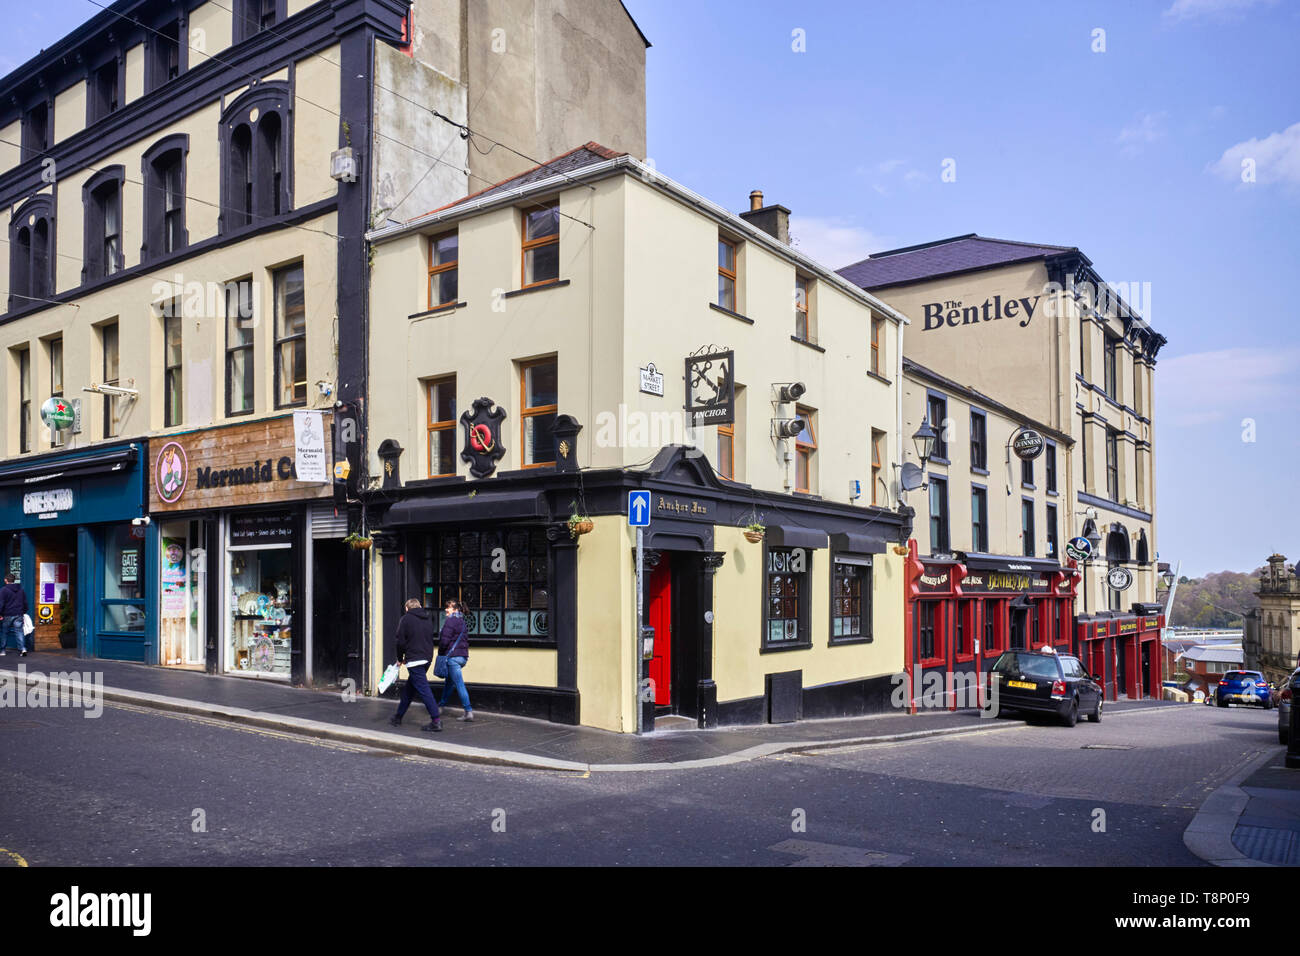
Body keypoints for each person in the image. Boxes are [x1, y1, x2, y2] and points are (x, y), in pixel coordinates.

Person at [388, 598, 441, 732]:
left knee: (424, 690)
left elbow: (400, 642)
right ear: (419, 606)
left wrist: (400, 658)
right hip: (426, 659)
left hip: (415, 660)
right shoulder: (427, 619)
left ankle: (436, 720)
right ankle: (398, 717)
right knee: (409, 689)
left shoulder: (405, 619)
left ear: (407, 608)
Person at [437, 599, 473, 721]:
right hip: (462, 657)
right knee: (449, 683)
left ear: (456, 609)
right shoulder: (461, 621)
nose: (446, 609)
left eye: (449, 607)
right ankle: (441, 706)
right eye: (446, 607)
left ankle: (468, 712)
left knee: (459, 684)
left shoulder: (450, 621)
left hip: (453, 658)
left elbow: (444, 641)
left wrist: (441, 653)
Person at [0, 574, 27, 657]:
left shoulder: (3, 590)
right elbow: (25, 603)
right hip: (19, 614)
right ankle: (22, 649)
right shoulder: (21, 590)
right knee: (19, 632)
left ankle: (3, 650)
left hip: (7, 614)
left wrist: (0, 614)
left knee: (4, 632)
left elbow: (1, 603)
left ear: (6, 580)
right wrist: (23, 612)